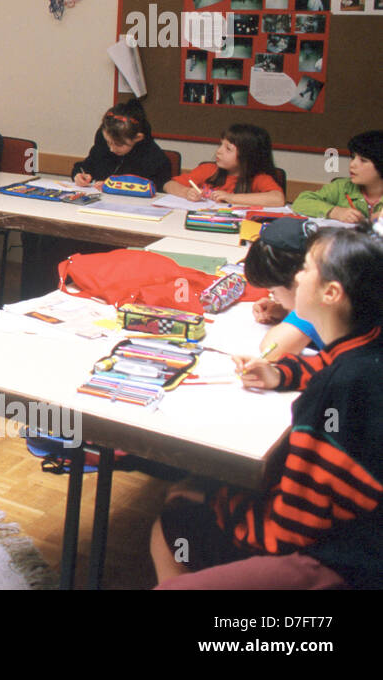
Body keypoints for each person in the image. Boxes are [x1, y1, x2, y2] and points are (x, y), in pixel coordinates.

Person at [151, 226, 383, 589]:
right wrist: (279, 373)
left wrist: (216, 499)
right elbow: (328, 363)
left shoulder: (334, 392)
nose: (296, 277)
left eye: (305, 268)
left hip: (348, 559)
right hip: (360, 528)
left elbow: (289, 528)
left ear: (331, 293)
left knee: (175, 519)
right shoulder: (368, 346)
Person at [244, 218, 324, 360]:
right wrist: (284, 309)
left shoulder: (318, 304)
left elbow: (271, 351)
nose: (274, 298)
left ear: (299, 278)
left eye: (273, 291)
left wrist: (295, 311)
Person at [161, 123, 284, 207]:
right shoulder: (208, 169)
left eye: (228, 149)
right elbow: (168, 185)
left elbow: (278, 199)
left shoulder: (259, 178)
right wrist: (186, 192)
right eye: (220, 145)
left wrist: (231, 198)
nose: (218, 151)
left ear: (248, 156)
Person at [70, 98, 173, 190]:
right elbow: (87, 165)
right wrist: (79, 175)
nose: (111, 149)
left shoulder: (154, 158)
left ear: (137, 138)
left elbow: (157, 186)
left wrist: (115, 186)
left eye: (118, 144)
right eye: (108, 142)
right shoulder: (102, 146)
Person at [292, 129, 383, 224]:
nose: (352, 164)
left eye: (363, 160)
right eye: (353, 157)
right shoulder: (342, 187)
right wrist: (334, 212)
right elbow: (301, 202)